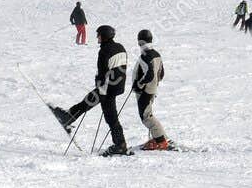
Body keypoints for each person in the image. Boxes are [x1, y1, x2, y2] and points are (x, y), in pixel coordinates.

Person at [51, 25, 130, 157]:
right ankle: (68, 117)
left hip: (106, 88)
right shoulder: (120, 47)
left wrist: (99, 85)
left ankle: (120, 145)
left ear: (104, 36)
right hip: (117, 85)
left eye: (98, 34)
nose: (97, 37)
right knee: (90, 100)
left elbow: (102, 73)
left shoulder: (104, 50)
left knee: (111, 117)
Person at [132, 29, 169, 151]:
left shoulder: (145, 55)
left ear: (141, 41)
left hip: (145, 91)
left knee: (146, 117)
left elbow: (149, 74)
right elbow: (161, 73)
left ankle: (161, 141)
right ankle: (159, 137)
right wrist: (155, 84)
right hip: (152, 90)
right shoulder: (156, 54)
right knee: (148, 114)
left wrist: (139, 84)